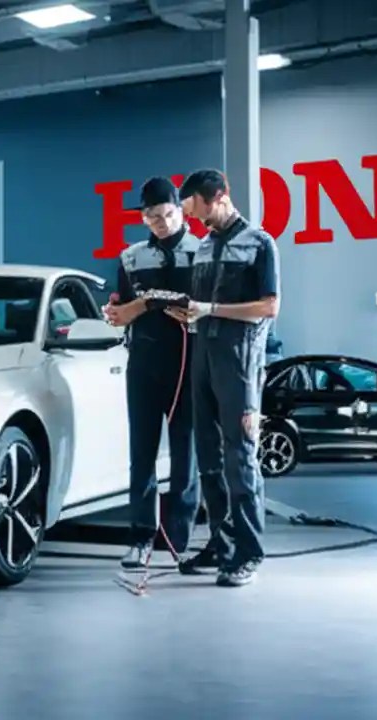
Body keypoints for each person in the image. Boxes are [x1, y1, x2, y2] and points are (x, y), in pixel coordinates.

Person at [167, 168, 280, 588]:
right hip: (203, 355)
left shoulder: (260, 244)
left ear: (216, 197)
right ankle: (222, 545)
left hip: (240, 362)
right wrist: (189, 312)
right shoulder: (204, 246)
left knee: (240, 459)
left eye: (197, 210)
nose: (195, 220)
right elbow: (201, 303)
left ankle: (249, 553)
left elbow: (269, 307)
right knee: (209, 460)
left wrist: (210, 309)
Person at [104, 177, 202, 571]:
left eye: (168, 215)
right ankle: (141, 538)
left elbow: (200, 302)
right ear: (143, 219)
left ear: (181, 212)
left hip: (189, 362)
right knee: (141, 454)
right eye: (154, 218)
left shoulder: (204, 251)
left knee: (186, 454)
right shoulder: (130, 257)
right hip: (143, 362)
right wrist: (115, 313)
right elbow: (123, 308)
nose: (162, 224)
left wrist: (143, 304)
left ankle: (178, 540)